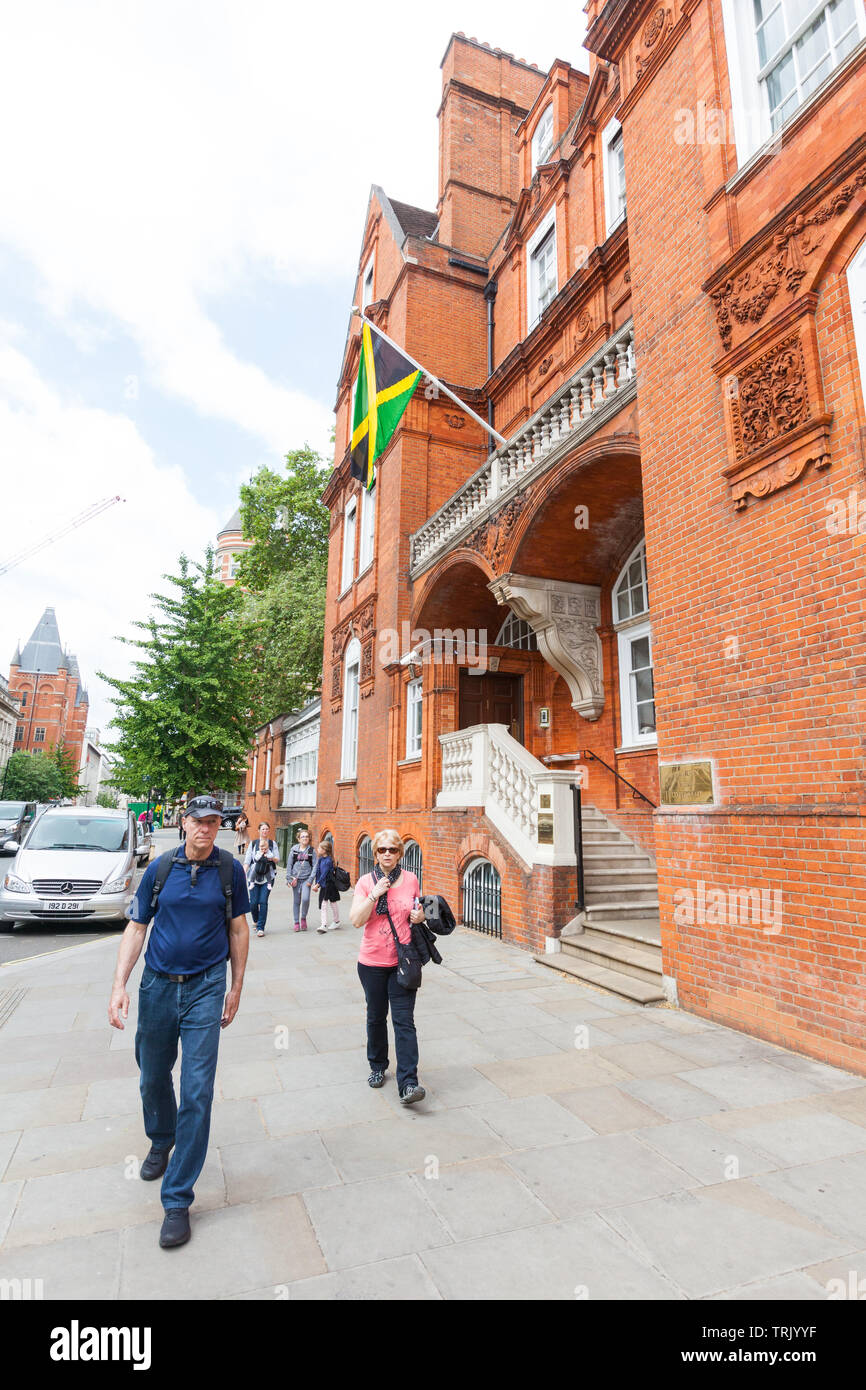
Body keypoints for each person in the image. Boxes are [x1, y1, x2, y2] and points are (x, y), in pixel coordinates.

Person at [107, 794, 250, 1250]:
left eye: (214, 822)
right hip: (157, 986)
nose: (206, 829)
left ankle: (177, 1199)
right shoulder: (160, 869)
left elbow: (239, 929)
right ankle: (160, 1138)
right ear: (184, 823)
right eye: (199, 821)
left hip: (207, 986)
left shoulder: (230, 871)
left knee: (197, 1089)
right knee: (152, 1077)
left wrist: (236, 987)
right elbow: (136, 927)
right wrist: (119, 985)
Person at [350, 828, 426, 1105]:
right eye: (382, 850)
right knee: (376, 1016)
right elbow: (356, 920)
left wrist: (419, 916)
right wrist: (374, 894)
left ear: (400, 853)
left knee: (404, 1022)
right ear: (375, 854)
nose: (387, 855)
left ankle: (409, 1084)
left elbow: (418, 909)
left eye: (392, 850)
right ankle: (378, 1066)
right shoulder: (365, 882)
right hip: (371, 962)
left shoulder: (411, 879)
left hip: (402, 962)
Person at [244, 821, 279, 938]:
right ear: (258, 831)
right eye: (262, 829)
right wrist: (243, 871)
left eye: (266, 829)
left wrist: (270, 857)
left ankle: (260, 927)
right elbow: (248, 860)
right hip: (254, 876)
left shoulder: (272, 844)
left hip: (268, 877)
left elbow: (277, 859)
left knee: (263, 901)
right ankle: (255, 919)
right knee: (253, 903)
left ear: (269, 831)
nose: (265, 831)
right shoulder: (253, 844)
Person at [286, 827, 317, 932]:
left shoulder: (312, 851)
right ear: (298, 839)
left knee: (305, 899)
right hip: (295, 879)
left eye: (307, 836)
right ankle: (296, 922)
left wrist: (310, 880)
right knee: (296, 901)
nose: (305, 838)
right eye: (302, 836)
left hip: (306, 880)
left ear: (309, 839)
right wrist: (288, 878)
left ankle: (303, 917)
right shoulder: (294, 850)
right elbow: (289, 864)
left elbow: (315, 866)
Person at [313, 838, 341, 932]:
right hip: (324, 885)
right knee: (332, 903)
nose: (317, 849)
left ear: (324, 850)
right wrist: (317, 884)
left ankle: (324, 925)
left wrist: (317, 885)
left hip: (329, 885)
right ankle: (336, 921)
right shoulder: (321, 859)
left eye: (319, 848)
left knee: (325, 904)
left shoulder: (328, 861)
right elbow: (318, 872)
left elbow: (324, 874)